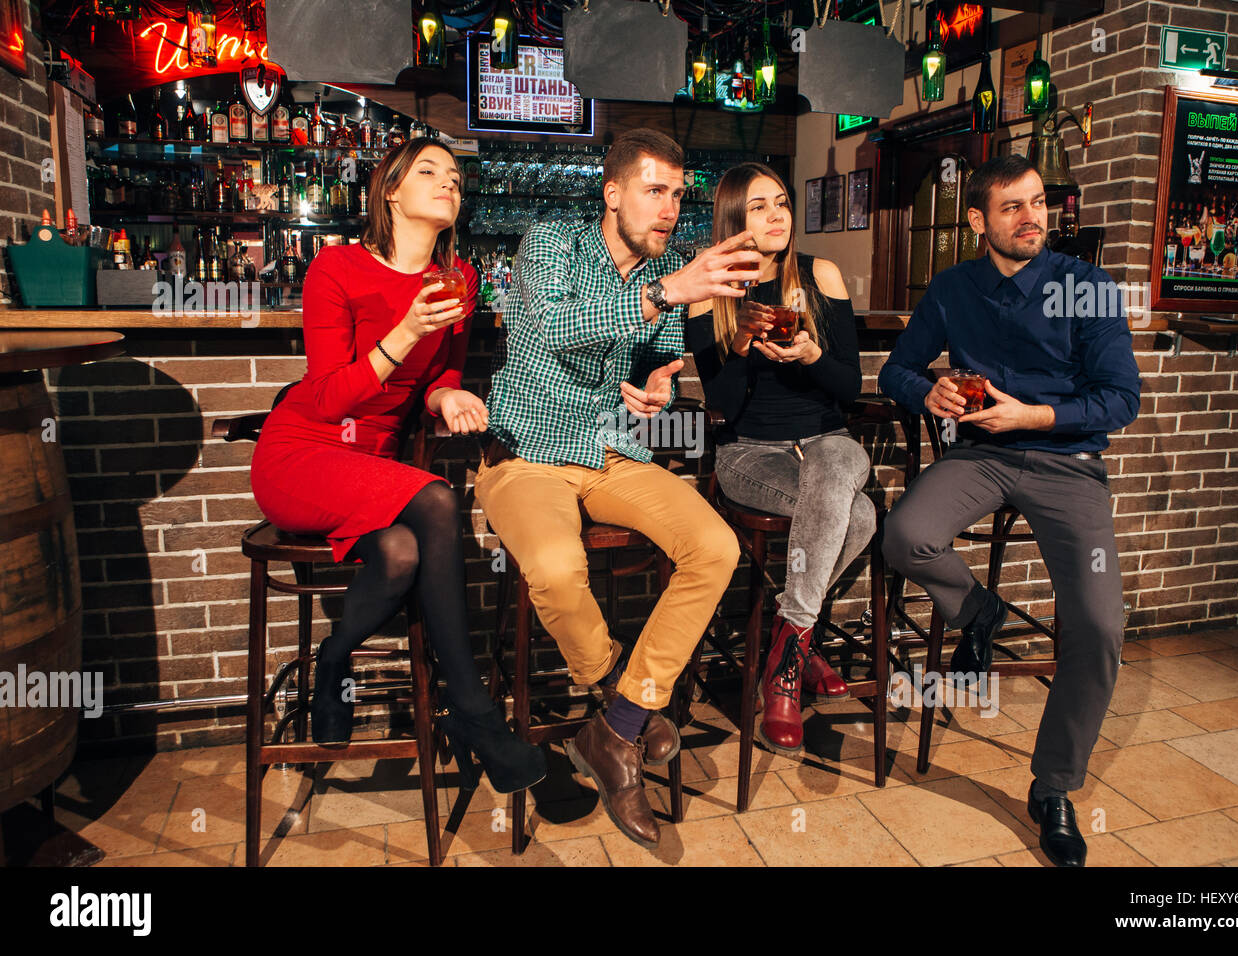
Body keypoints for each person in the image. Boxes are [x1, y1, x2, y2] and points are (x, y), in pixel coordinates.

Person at [474, 128, 757, 849]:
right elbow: (559, 327)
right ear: (613, 193)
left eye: (677, 196)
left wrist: (661, 385)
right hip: (527, 453)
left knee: (714, 545)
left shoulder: (659, 270)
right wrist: (672, 290)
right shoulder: (550, 243)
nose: (669, 209)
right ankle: (615, 694)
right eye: (654, 191)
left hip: (610, 452)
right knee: (559, 570)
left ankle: (617, 726)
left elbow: (658, 358)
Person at [250, 138, 546, 795]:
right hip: (303, 453)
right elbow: (327, 398)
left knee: (404, 554)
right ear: (391, 190)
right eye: (430, 171)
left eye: (457, 177)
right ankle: (472, 711)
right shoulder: (337, 269)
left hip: (374, 466)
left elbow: (437, 375)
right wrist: (405, 332)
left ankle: (330, 661)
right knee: (438, 500)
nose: (449, 183)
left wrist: (448, 394)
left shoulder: (458, 279)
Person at [878, 154, 1140, 867]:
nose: (1032, 219)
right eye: (1012, 208)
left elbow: (1122, 400)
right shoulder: (953, 288)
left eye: (1038, 204)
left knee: (1097, 624)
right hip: (979, 458)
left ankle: (1053, 785)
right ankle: (981, 614)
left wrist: (1034, 415)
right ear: (978, 222)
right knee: (904, 535)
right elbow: (895, 368)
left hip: (1066, 460)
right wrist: (923, 393)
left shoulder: (1087, 287)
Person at [686, 162, 871, 756]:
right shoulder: (708, 292)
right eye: (760, 207)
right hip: (751, 455)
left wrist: (814, 355)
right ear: (734, 221)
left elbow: (849, 387)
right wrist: (739, 345)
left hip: (826, 441)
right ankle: (803, 649)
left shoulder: (822, 275)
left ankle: (783, 659)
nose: (776, 216)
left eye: (782, 203)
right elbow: (722, 407)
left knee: (838, 467)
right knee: (859, 517)